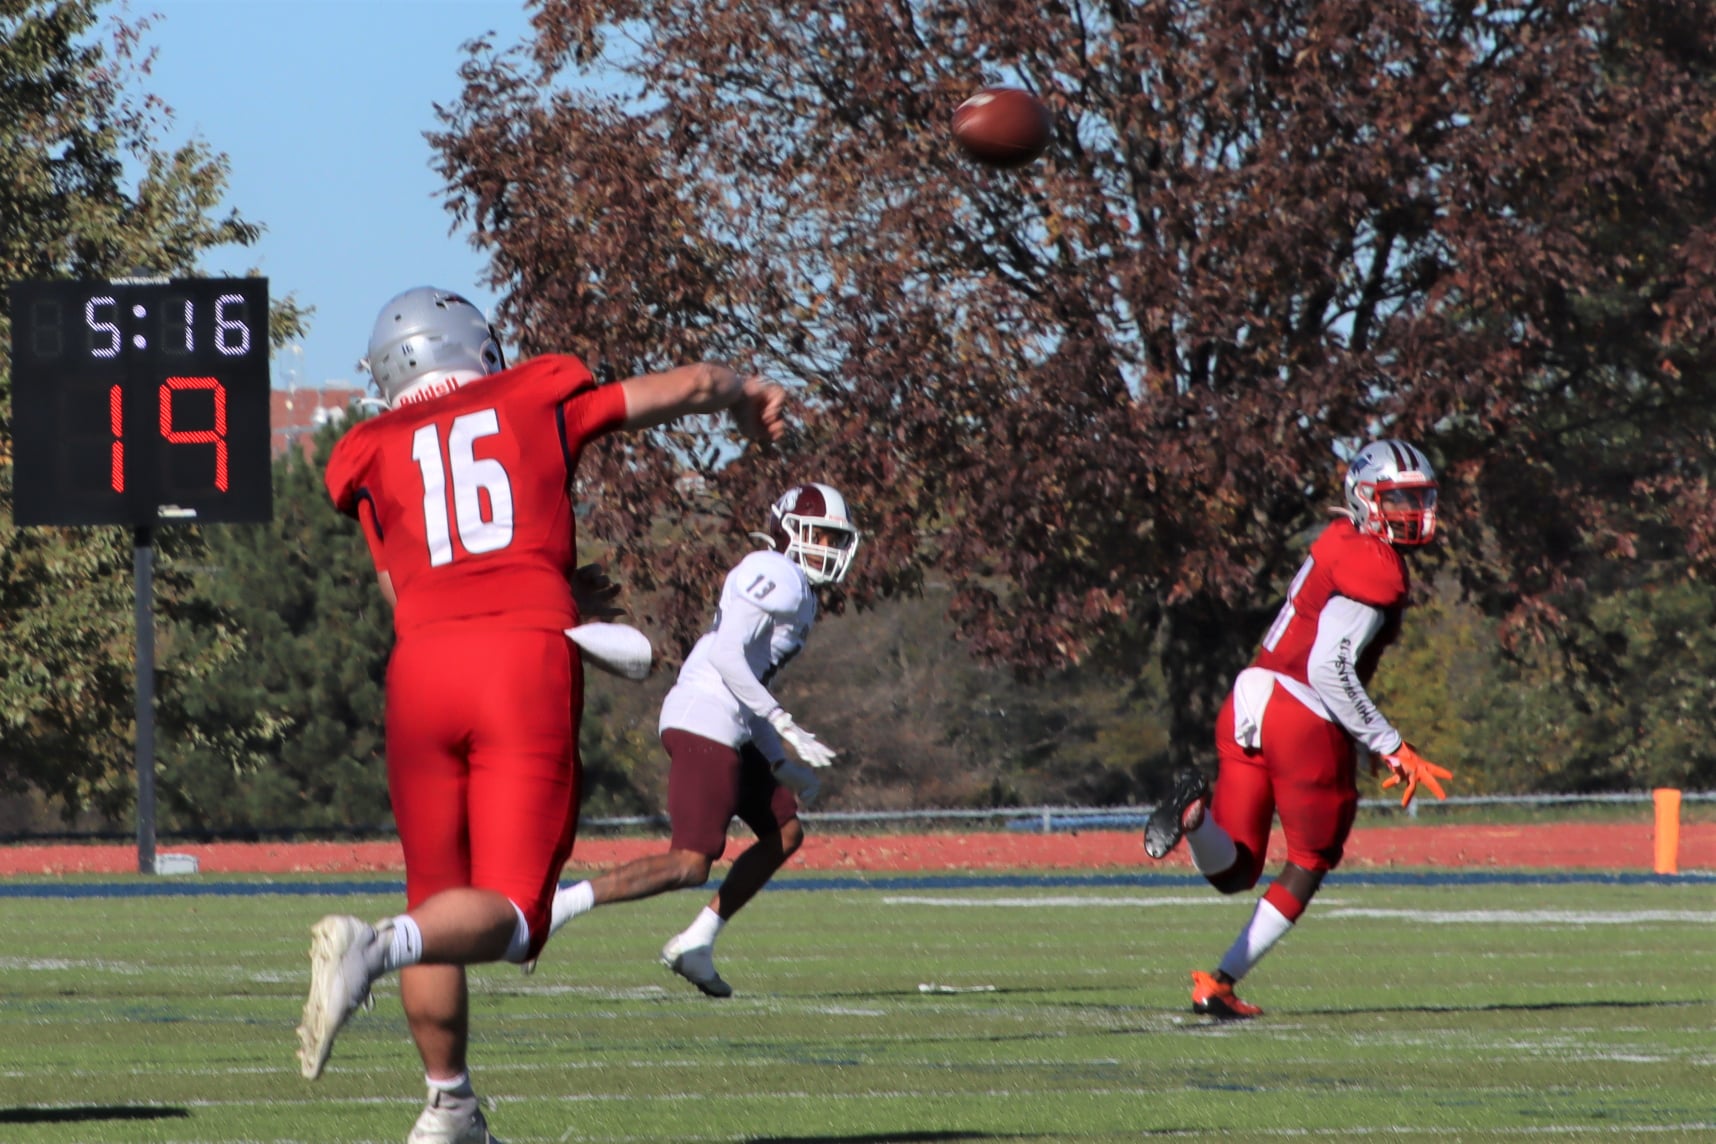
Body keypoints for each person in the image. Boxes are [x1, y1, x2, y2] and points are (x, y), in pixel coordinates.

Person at [295, 286, 785, 1144]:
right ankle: (370, 949)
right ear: (474, 346)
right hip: (516, 662)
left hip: (420, 672)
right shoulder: (532, 392)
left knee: (433, 901)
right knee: (516, 915)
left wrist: (547, 577)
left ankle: (448, 1105)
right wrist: (748, 395)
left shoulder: (369, 449)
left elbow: (402, 586)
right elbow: (691, 383)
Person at [1143, 439, 1454, 1019]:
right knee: (1312, 858)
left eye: (1418, 497)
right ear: (1364, 499)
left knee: (1236, 868)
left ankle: (1196, 817)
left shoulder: (1338, 541)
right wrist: (1390, 745)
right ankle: (1219, 982)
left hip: (1250, 694)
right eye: (1399, 498)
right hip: (1300, 711)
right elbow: (1327, 667)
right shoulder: (1373, 565)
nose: (1414, 510)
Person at [529, 482, 860, 997]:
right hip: (706, 716)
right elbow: (727, 658)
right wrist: (783, 721)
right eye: (819, 535)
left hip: (727, 720)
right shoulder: (774, 571)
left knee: (784, 833)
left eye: (836, 539)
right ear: (789, 531)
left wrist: (775, 759)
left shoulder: (797, 587)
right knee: (690, 862)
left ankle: (698, 942)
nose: (829, 549)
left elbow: (748, 674)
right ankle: (557, 909)